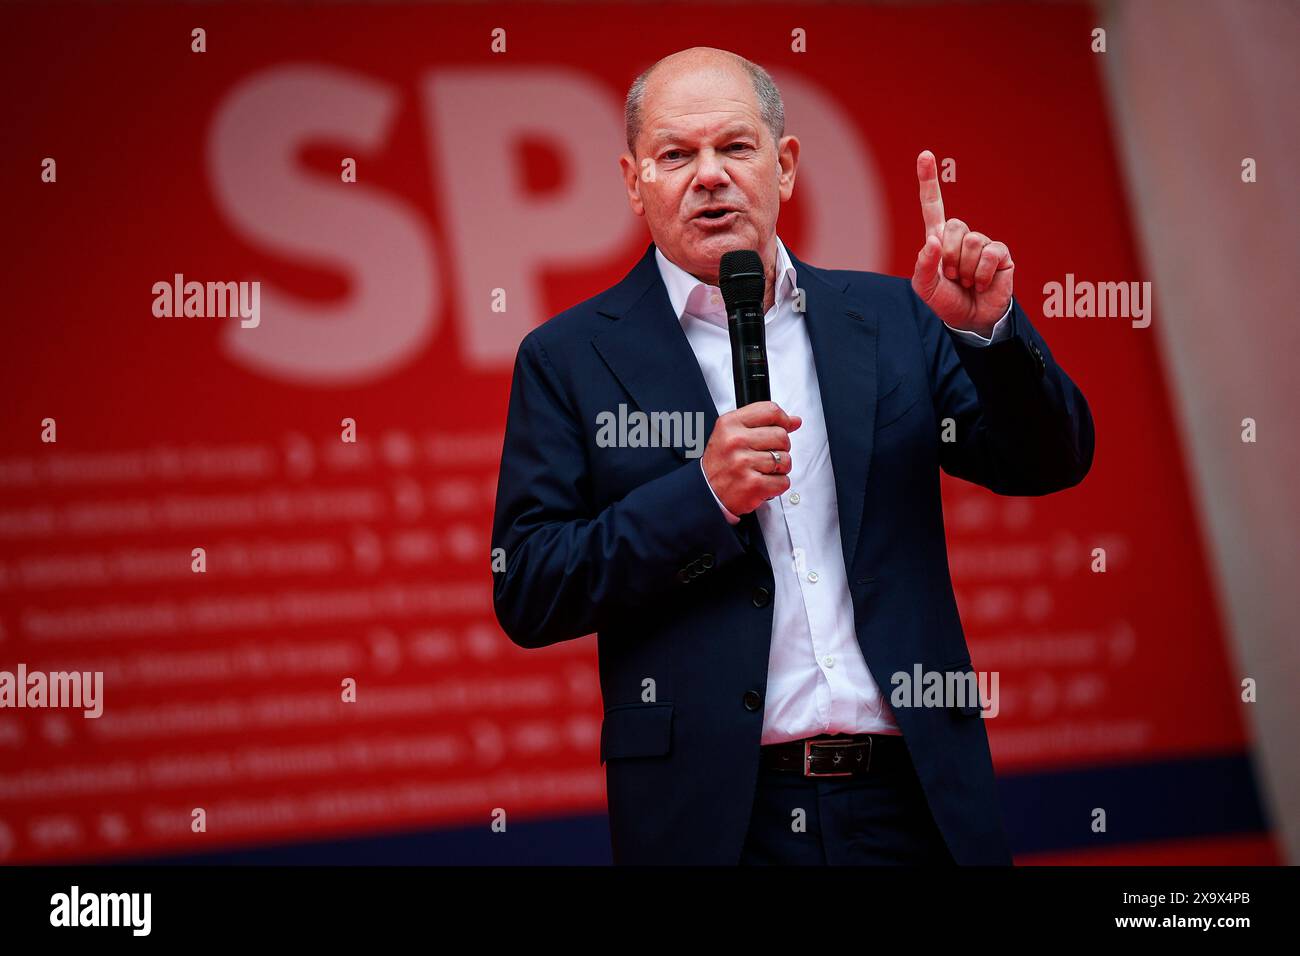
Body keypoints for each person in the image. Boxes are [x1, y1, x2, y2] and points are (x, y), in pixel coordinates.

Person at [491, 47, 1093, 864]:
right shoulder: (568, 357)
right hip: (720, 819)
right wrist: (700, 496)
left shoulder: (890, 317)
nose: (709, 175)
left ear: (786, 165)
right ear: (635, 182)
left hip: (910, 797)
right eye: (677, 155)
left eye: (736, 147)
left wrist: (985, 332)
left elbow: (1048, 460)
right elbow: (527, 585)